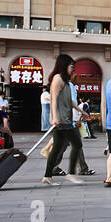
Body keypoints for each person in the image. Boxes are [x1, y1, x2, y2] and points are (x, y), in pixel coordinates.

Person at [41, 55, 85, 185]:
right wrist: (54, 118)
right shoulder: (57, 79)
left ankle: (47, 176)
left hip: (64, 119)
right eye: (72, 66)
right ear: (64, 65)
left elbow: (69, 101)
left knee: (56, 149)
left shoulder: (65, 82)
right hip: (61, 121)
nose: (73, 69)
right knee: (77, 144)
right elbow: (54, 99)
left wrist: (81, 111)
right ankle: (71, 173)